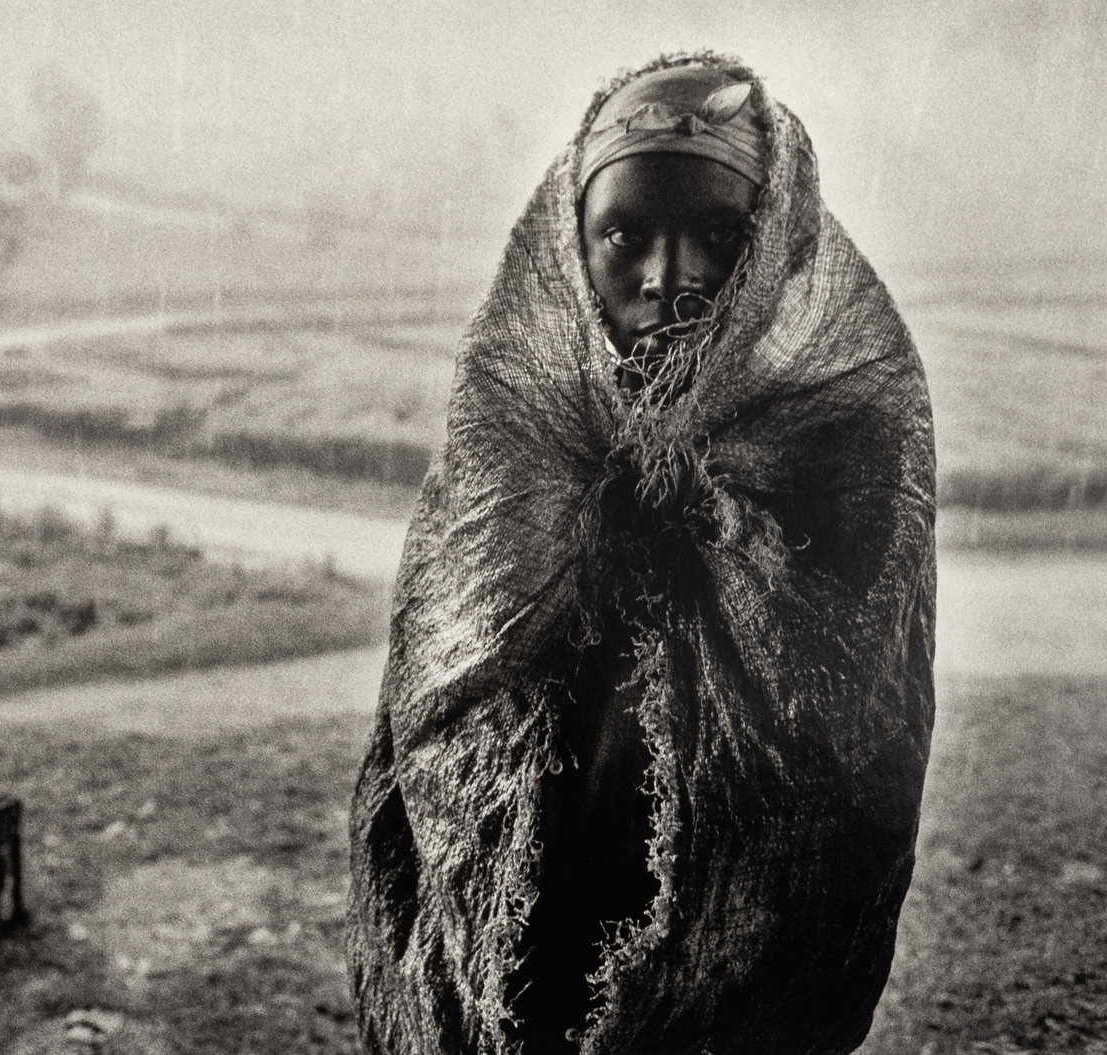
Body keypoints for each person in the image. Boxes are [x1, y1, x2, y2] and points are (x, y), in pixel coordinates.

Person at [347, 53, 936, 1055]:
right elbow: (433, 708)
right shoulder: (513, 429)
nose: (671, 277)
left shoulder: (840, 433)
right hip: (528, 909)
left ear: (779, 244)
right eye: (625, 235)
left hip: (740, 943)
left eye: (718, 233)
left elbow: (858, 761)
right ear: (571, 250)